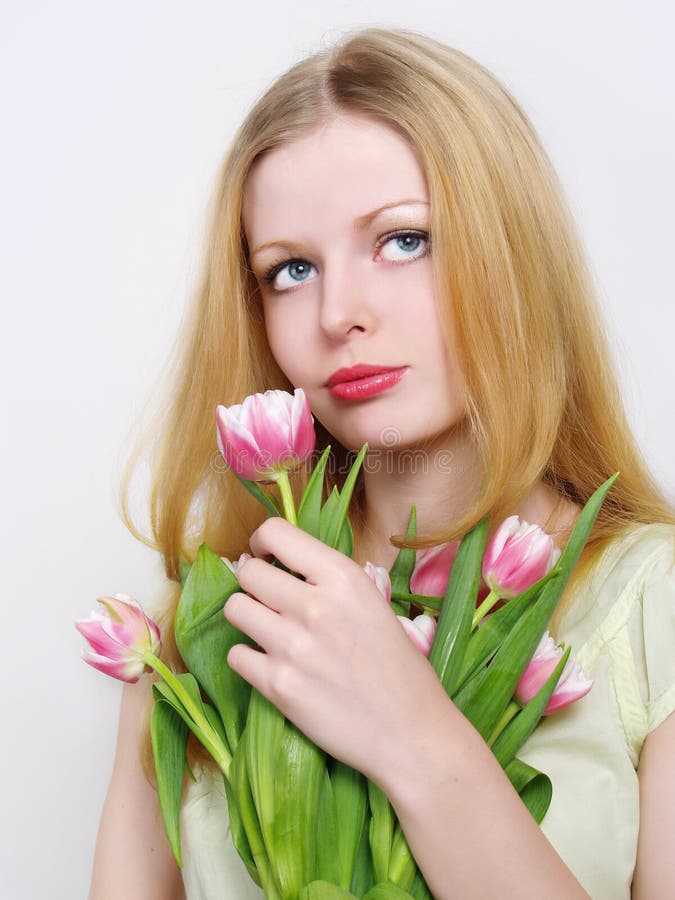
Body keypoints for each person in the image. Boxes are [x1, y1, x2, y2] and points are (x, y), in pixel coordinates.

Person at [89, 26, 675, 900]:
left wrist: (411, 732)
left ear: (511, 253)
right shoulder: (209, 623)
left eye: (403, 240)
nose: (339, 313)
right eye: (288, 269)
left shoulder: (645, 604)